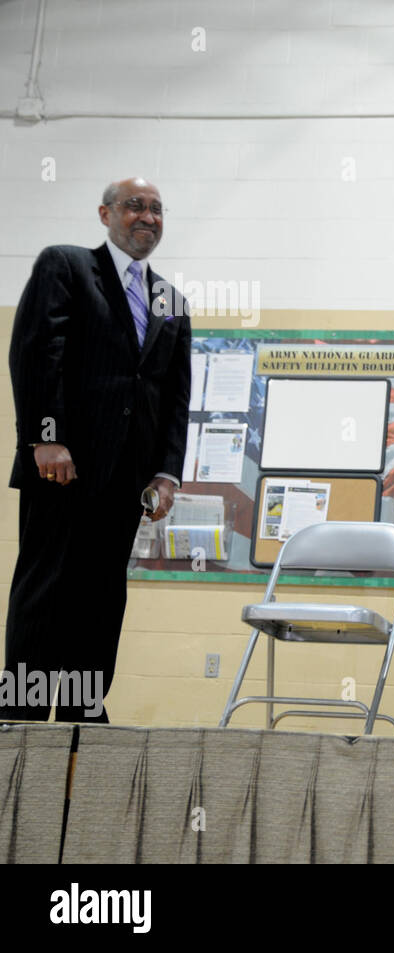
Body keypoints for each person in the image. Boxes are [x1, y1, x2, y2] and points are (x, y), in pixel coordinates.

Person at [3, 177, 190, 723]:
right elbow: (38, 351)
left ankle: (84, 708)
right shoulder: (65, 265)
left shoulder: (170, 300)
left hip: (127, 480)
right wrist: (45, 437)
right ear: (105, 213)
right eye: (136, 206)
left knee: (102, 595)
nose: (148, 217)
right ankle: (23, 710)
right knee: (47, 588)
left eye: (157, 209)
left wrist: (166, 474)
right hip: (63, 467)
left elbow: (174, 395)